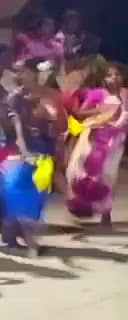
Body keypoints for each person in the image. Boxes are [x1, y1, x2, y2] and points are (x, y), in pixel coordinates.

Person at [0, 56, 65, 256]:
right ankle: (13, 241)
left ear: (35, 73)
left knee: (34, 199)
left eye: (22, 71)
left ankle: (24, 240)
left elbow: (62, 127)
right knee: (14, 194)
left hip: (43, 154)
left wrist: (51, 117)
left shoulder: (52, 96)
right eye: (16, 71)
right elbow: (12, 126)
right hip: (18, 154)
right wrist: (20, 147)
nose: (18, 75)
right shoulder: (14, 98)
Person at [64, 62, 124, 224]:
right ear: (103, 79)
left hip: (116, 140)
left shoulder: (125, 95)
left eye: (117, 74)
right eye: (110, 75)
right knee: (82, 169)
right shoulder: (98, 94)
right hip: (93, 137)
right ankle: (80, 202)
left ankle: (106, 213)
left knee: (109, 175)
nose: (114, 78)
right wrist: (101, 110)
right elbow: (80, 112)